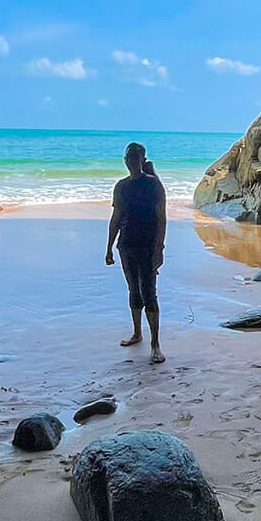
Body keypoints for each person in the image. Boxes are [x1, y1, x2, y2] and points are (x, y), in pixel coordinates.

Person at [106, 141, 167, 363]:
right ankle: (137, 333)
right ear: (125, 161)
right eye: (128, 158)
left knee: (149, 292)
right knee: (133, 290)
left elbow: (161, 218)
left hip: (148, 246)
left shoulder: (154, 185)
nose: (131, 161)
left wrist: (159, 249)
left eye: (135, 157)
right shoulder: (121, 186)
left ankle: (155, 344)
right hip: (126, 245)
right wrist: (109, 247)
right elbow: (116, 218)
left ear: (143, 159)